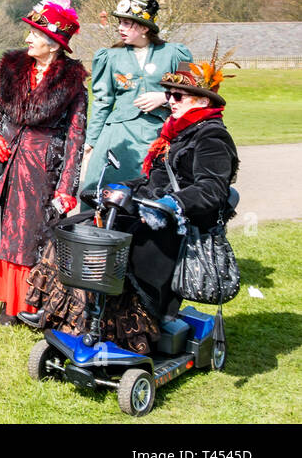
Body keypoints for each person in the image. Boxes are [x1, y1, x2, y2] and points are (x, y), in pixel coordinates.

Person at [20, 49, 239, 351]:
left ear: (202, 101)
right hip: (149, 212)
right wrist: (119, 188)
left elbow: (211, 191)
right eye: (170, 95)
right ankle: (67, 317)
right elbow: (153, 180)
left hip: (177, 227)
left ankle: (121, 333)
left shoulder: (212, 137)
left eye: (179, 97)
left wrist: (171, 205)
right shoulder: (177, 132)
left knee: (113, 249)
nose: (171, 101)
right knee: (72, 228)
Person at [0, 0, 88, 325]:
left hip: (41, 168)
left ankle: (28, 305)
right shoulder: (14, 69)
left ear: (53, 43)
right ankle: (8, 298)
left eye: (34, 34)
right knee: (3, 228)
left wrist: (66, 188)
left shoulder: (73, 84)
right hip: (7, 163)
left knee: (29, 235)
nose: (27, 39)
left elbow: (76, 139)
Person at [79, 0, 190, 198]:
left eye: (127, 23)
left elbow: (193, 95)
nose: (120, 28)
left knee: (155, 194)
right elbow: (102, 102)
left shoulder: (175, 54)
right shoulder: (110, 57)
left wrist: (165, 98)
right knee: (106, 193)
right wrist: (91, 142)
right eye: (120, 23)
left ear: (144, 27)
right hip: (118, 137)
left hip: (161, 135)